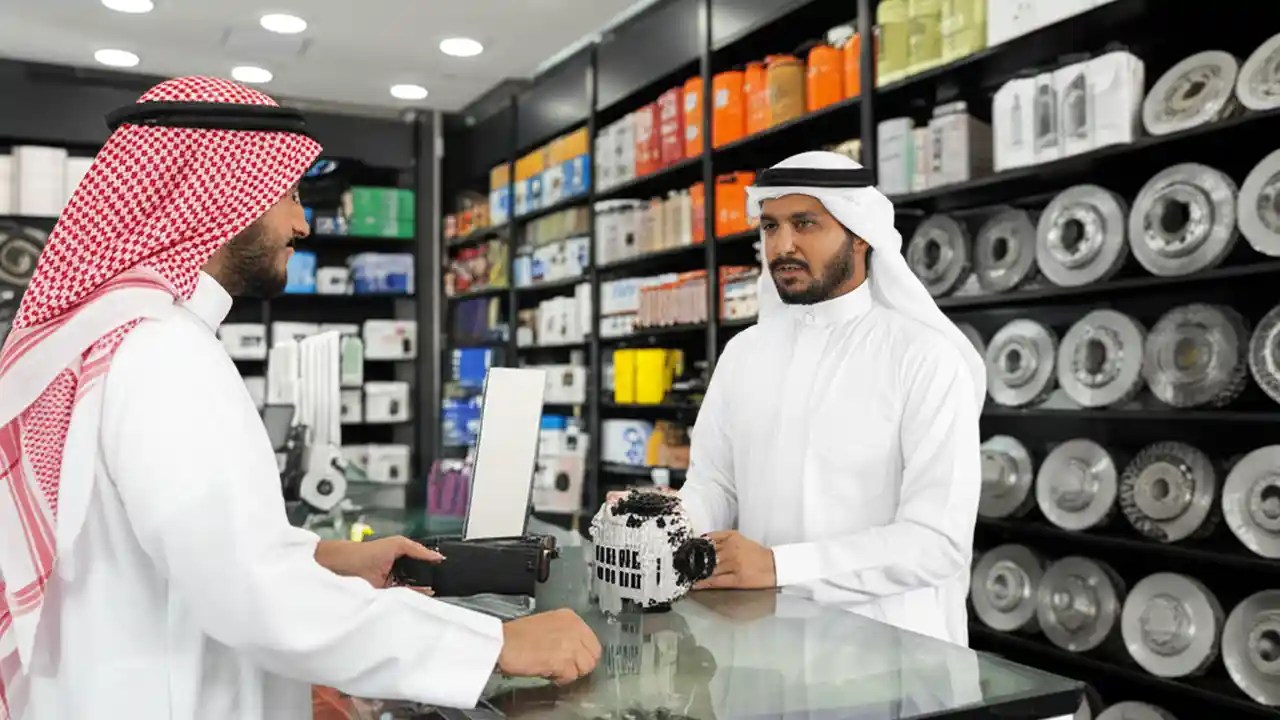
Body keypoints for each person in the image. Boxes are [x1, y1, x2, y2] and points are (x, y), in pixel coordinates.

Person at [0, 77, 600, 720]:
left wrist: (328, 558)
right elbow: (254, 594)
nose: (301, 222)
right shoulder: (161, 354)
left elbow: (185, 550)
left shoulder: (109, 339)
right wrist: (493, 643)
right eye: (286, 193)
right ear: (223, 196)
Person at [615, 151, 985, 646]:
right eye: (769, 227)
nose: (782, 245)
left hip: (885, 655)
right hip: (758, 647)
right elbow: (716, 486)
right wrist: (662, 518)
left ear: (859, 234)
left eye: (805, 224)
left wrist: (777, 566)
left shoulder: (924, 358)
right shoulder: (745, 353)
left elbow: (936, 541)